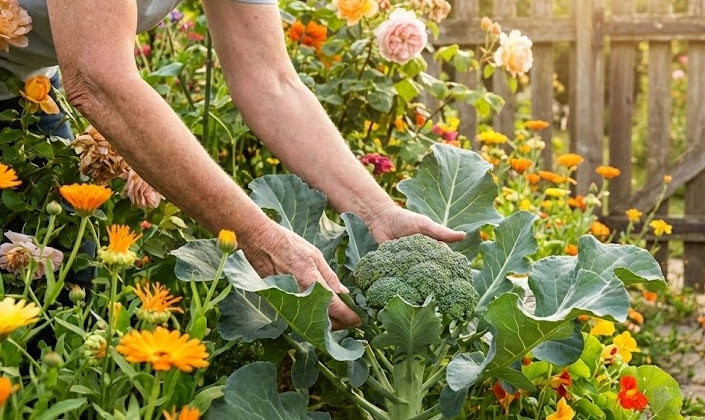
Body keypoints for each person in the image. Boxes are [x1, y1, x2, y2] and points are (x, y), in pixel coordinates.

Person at [0, 0, 465, 328]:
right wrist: (259, 236)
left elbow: (271, 81)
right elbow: (99, 80)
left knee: (55, 304)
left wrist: (375, 211)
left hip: (22, 87)